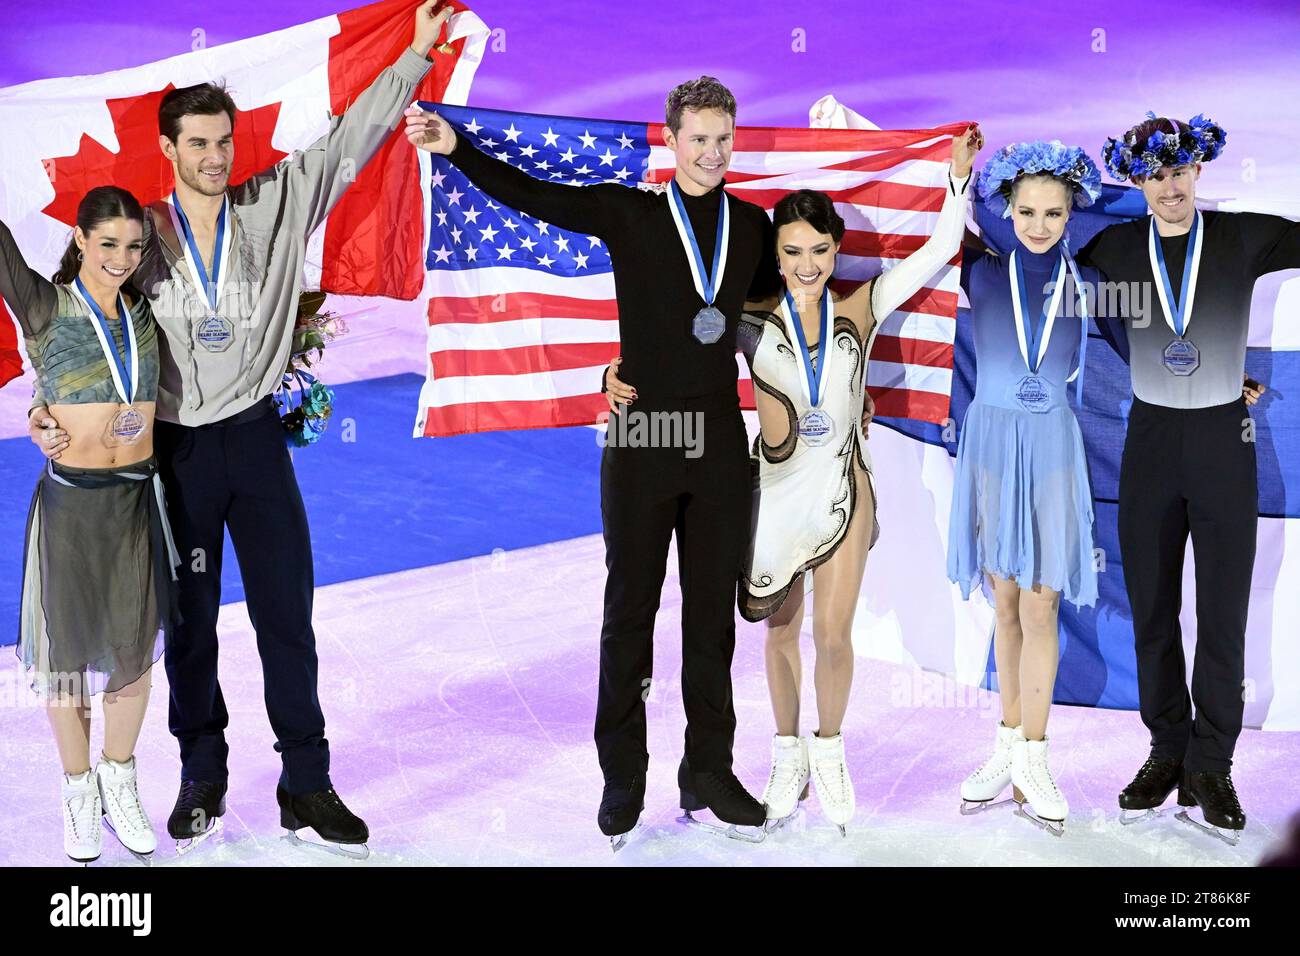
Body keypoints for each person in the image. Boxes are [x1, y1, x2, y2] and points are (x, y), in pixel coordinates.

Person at [29, 0, 452, 858]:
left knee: (285, 614)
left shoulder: (279, 200)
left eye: (223, 141)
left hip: (255, 445)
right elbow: (76, 320)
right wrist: (52, 408)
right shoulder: (139, 239)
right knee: (188, 624)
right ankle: (202, 774)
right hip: (176, 454)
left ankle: (307, 782)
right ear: (169, 150)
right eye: (197, 144)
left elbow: (350, 139)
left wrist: (410, 56)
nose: (215, 157)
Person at [405, 76, 784, 847]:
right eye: (698, 138)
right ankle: (623, 775)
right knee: (629, 615)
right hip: (643, 437)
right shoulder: (630, 211)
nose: (712, 152)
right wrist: (456, 150)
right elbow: (537, 196)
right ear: (671, 141)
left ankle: (708, 770)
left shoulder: (752, 226)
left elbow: (776, 306)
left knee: (712, 618)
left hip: (716, 440)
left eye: (723, 138)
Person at [605, 128, 981, 834]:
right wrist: (613, 372)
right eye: (793, 252)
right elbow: (668, 330)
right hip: (774, 494)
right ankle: (785, 754)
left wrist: (956, 182)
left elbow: (937, 251)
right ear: (772, 258)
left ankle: (829, 751)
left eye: (820, 250)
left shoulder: (861, 309)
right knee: (779, 635)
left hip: (844, 488)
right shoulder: (748, 321)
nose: (808, 265)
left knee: (834, 637)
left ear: (837, 251)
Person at [1075, 112, 1300, 841]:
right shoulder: (1112, 247)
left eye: (1179, 171)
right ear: (1136, 180)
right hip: (1149, 439)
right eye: (1153, 175)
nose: (1169, 187)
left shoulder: (1241, 236)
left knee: (1224, 611)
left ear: (1198, 170)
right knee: (1151, 608)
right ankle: (1165, 750)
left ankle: (1212, 764)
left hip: (1220, 440)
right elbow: (1051, 260)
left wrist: (1227, 377)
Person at [6, 186, 180, 863]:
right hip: (71, 506)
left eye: (134, 245)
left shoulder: (144, 312)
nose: (122, 257)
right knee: (66, 664)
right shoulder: (47, 305)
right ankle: (79, 791)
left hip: (135, 501)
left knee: (134, 654)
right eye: (107, 243)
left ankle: (120, 776)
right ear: (79, 239)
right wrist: (36, 417)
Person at [946, 141, 1104, 835]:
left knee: (1042, 608)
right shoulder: (982, 271)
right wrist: (952, 169)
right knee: (1004, 603)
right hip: (990, 445)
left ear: (1071, 214)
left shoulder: (1090, 280)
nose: (1039, 223)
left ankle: (1036, 754)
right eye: (1028, 210)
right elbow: (935, 220)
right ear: (1007, 209)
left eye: (1053, 212)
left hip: (1050, 448)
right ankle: (1008, 742)